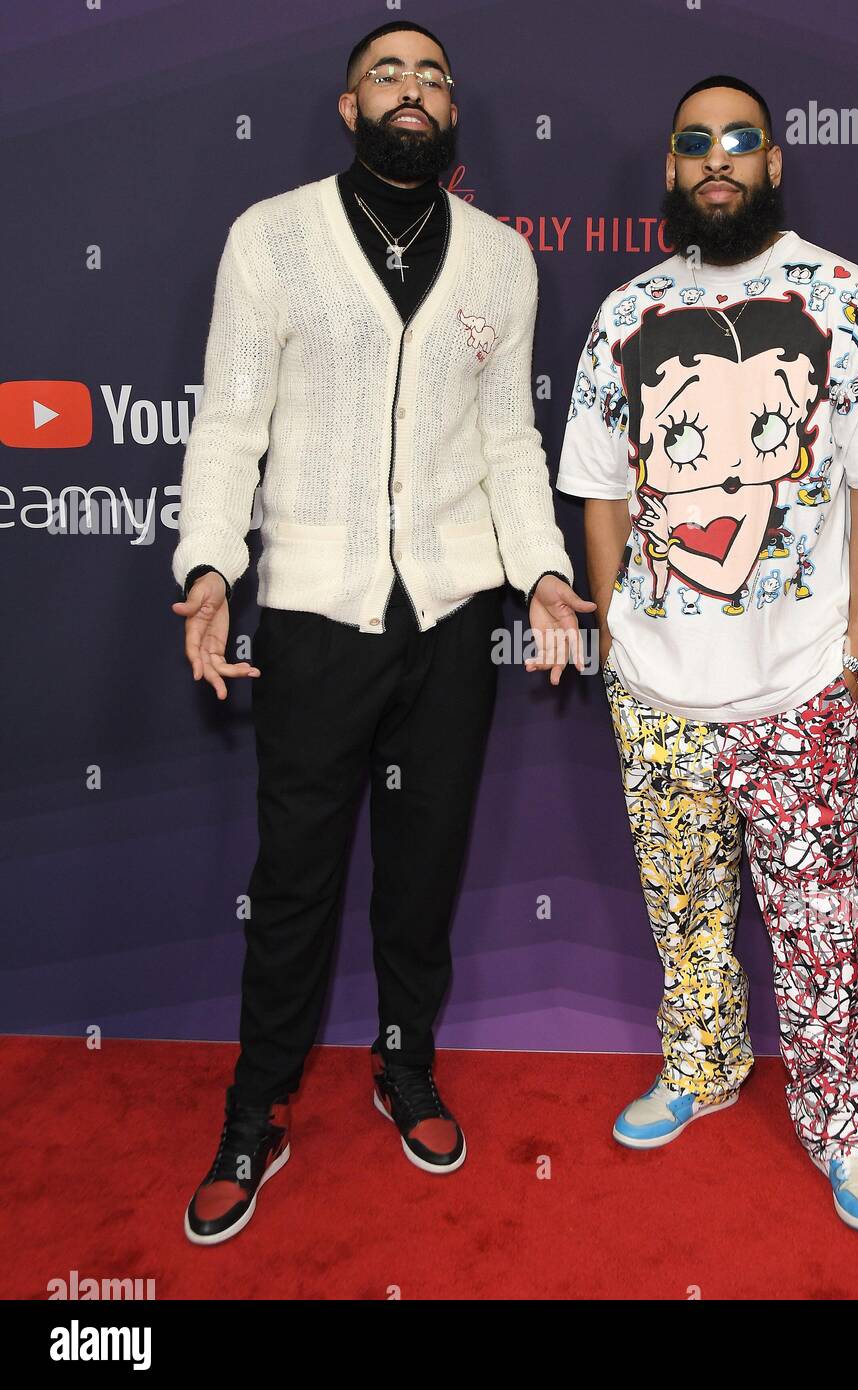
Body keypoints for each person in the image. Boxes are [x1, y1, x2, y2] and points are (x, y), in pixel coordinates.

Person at [171, 20, 590, 1245]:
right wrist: (209, 565)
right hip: (313, 616)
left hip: (453, 620)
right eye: (390, 73)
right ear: (350, 107)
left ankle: (403, 1068)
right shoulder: (273, 237)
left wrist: (546, 570)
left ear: (452, 114)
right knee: (293, 881)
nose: (415, 89)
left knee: (420, 875)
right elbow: (227, 420)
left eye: (435, 76)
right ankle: (256, 1108)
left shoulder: (503, 261)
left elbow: (511, 440)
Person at [556, 74, 858, 1233]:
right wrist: (619, 624)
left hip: (799, 689)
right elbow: (599, 487)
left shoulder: (844, 297)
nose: (715, 159)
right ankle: (703, 1064)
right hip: (656, 690)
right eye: (692, 144)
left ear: (772, 161)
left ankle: (836, 1119)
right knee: (683, 910)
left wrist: (854, 654)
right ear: (670, 170)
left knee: (821, 926)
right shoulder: (624, 313)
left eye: (738, 142)